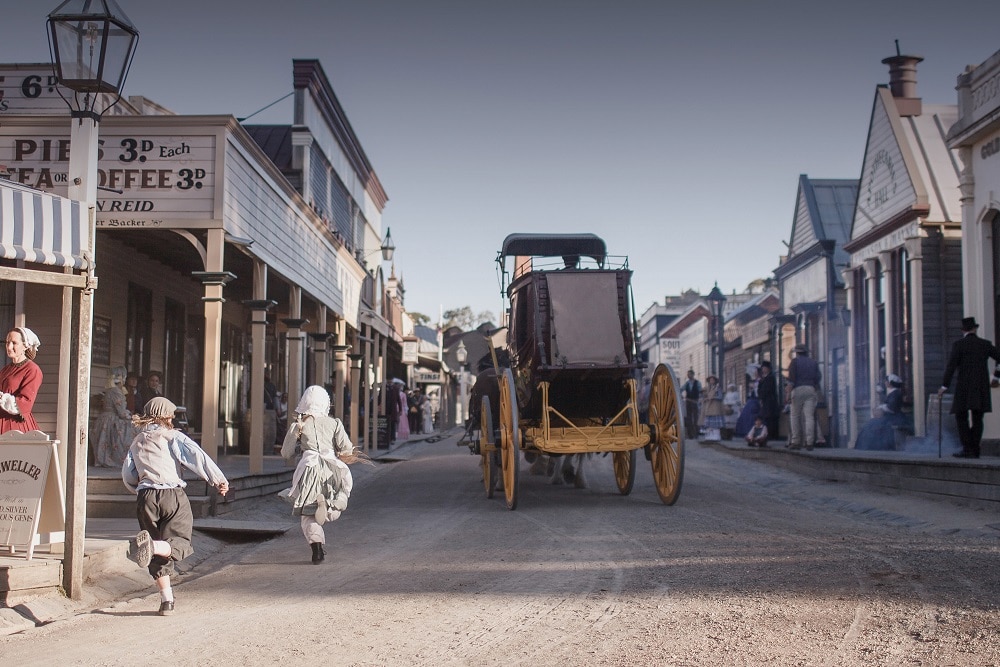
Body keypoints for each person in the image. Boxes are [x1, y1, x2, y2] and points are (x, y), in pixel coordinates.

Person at [122, 397, 229, 616]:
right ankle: (153, 547)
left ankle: (166, 601)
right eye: (171, 416)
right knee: (180, 541)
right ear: (166, 417)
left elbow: (127, 474)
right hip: (172, 494)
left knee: (156, 549)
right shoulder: (172, 436)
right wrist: (218, 480)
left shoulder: (137, 441)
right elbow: (196, 457)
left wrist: (140, 489)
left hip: (145, 497)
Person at [280, 385, 366, 564]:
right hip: (330, 467)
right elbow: (347, 448)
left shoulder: (299, 425)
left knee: (308, 514)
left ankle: (317, 550)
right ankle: (331, 505)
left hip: (309, 469)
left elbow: (286, 453)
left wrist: (296, 440)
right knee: (342, 487)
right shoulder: (334, 423)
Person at [938, 316, 1000, 459]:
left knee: (961, 417)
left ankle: (968, 448)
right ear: (975, 329)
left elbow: (951, 366)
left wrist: (944, 386)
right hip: (981, 386)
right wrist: (996, 376)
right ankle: (975, 448)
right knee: (978, 418)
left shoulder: (959, 345)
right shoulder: (985, 344)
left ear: (963, 330)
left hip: (964, 386)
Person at [0, 326, 43, 434]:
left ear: (25, 346)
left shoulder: (32, 370)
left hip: (15, 425)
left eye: (14, 343)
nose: (9, 347)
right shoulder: (6, 369)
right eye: (7, 342)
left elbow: (25, 403)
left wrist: (2, 398)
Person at [92, 365, 137, 467]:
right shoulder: (116, 391)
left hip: (104, 419)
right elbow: (121, 412)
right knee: (133, 430)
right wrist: (132, 416)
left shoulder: (111, 390)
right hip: (110, 420)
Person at [855, 374, 912, 450]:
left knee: (874, 425)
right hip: (890, 417)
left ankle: (878, 447)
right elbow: (888, 402)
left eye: (886, 381)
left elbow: (891, 408)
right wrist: (881, 393)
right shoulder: (893, 393)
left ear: (890, 383)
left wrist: (882, 407)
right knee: (871, 424)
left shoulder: (896, 393)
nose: (885, 382)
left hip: (895, 418)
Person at [787, 344, 821, 451]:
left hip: (797, 389)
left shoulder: (794, 362)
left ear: (797, 353)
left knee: (795, 416)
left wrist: (788, 394)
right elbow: (818, 377)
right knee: (809, 417)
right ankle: (809, 442)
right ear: (806, 352)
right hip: (810, 389)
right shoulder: (813, 362)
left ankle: (796, 441)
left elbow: (791, 379)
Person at [756, 361, 780, 441]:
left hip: (770, 400)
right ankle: (767, 433)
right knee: (765, 417)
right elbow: (760, 389)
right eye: (762, 368)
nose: (763, 369)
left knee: (770, 418)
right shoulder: (763, 378)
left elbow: (768, 390)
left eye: (765, 368)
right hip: (765, 400)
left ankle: (772, 435)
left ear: (768, 369)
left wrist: (762, 396)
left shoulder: (770, 377)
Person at [699, 375, 725, 442]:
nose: (711, 381)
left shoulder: (717, 388)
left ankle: (716, 436)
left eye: (713, 380)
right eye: (710, 380)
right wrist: (705, 398)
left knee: (715, 423)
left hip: (715, 406)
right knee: (708, 423)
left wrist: (713, 398)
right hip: (708, 407)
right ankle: (709, 436)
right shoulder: (708, 389)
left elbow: (720, 397)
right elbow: (703, 395)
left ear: (715, 381)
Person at [681, 370, 701, 439]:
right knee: (688, 418)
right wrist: (681, 396)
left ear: (693, 374)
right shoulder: (686, 383)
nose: (688, 376)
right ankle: (690, 434)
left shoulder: (697, 383)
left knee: (696, 418)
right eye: (688, 374)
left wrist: (699, 400)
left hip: (695, 402)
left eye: (690, 374)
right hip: (688, 402)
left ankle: (696, 433)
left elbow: (700, 391)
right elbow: (681, 389)